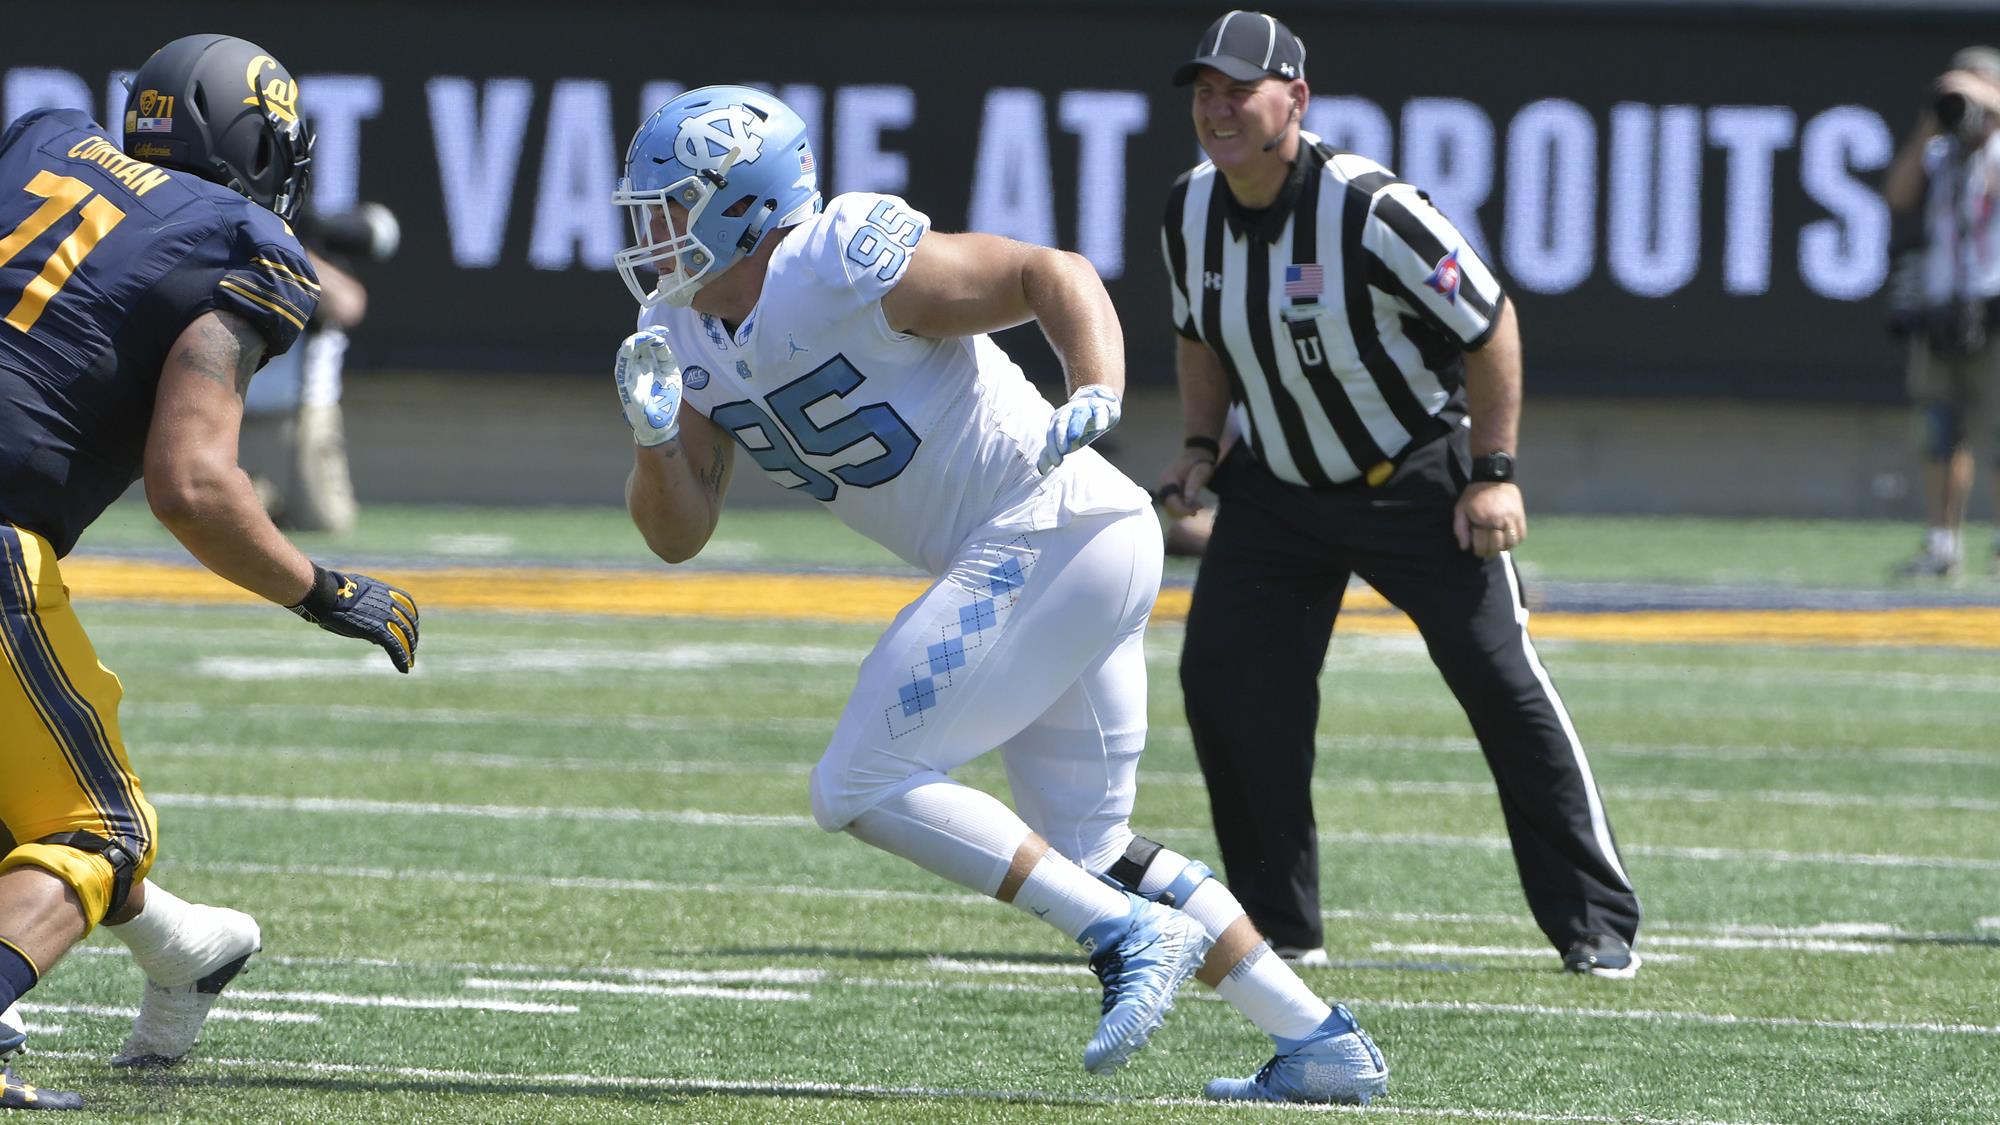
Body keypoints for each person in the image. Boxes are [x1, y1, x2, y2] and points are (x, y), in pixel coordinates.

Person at [610, 85, 1387, 1104]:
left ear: (741, 203)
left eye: (670, 204)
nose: (651, 229)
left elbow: (1041, 271)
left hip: (1046, 524)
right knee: (1089, 849)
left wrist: (1094, 384)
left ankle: (1119, 936)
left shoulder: (835, 257)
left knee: (857, 781)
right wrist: (656, 434)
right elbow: (680, 534)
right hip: (1057, 553)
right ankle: (1316, 1039)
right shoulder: (682, 330)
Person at [1155, 11, 1642, 978]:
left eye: (1238, 90)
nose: (1217, 108)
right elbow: (1199, 331)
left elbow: (1491, 320)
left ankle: (1595, 919)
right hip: (1278, 490)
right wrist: (1201, 447)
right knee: (1224, 679)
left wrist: (1495, 473)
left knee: (1504, 688)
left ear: (1294, 99)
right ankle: (1278, 923)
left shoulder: (1370, 207)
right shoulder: (1189, 208)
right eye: (1204, 91)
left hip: (1411, 476)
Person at [0, 34, 419, 1108]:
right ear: (254, 144)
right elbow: (192, 484)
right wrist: (323, 591)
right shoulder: (247, 240)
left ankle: (190, 951)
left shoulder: (41, 142)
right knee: (96, 830)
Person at [1882, 48, 2000, 580]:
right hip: (1941, 306)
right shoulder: (1938, 154)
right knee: (1939, 430)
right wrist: (1931, 122)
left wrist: (1986, 103)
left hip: (1994, 304)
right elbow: (1898, 195)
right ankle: (1942, 544)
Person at [240, 202, 400, 533]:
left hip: (301, 410)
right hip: (234, 397)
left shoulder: (311, 250)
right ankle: (256, 497)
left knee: (326, 521)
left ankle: (269, 501)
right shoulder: (238, 236)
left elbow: (348, 306)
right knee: (205, 511)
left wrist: (291, 253)